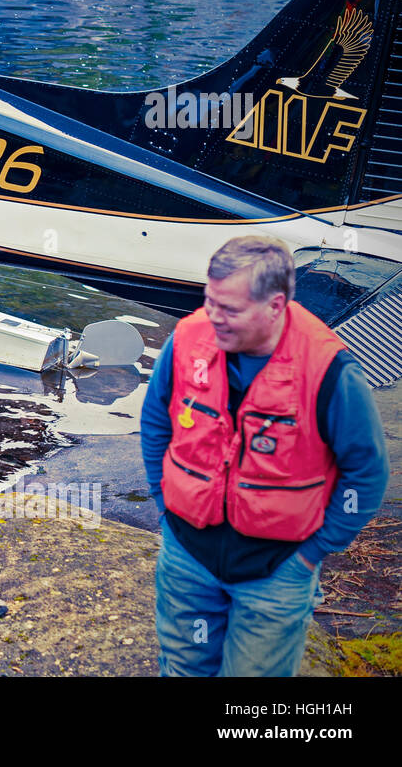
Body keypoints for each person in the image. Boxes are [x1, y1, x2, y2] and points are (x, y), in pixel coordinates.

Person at [141, 235, 388, 676]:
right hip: (187, 556)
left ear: (275, 306)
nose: (212, 317)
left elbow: (365, 475)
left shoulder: (329, 370)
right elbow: (157, 423)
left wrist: (313, 554)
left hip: (276, 571)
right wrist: (165, 508)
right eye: (208, 300)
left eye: (230, 309)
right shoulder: (187, 340)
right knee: (183, 668)